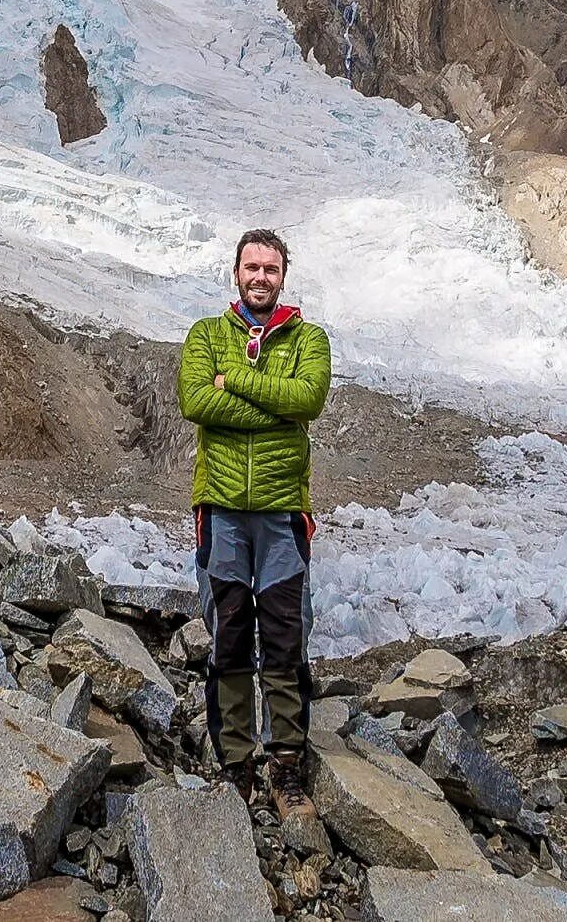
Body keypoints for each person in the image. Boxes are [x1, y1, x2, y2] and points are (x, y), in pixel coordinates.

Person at [177, 225, 332, 827]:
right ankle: (237, 763)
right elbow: (197, 403)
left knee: (287, 644)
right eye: (251, 268)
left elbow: (307, 400)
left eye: (270, 269)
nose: (260, 277)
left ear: (283, 276)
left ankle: (286, 764)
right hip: (220, 511)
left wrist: (234, 381)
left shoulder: (308, 339)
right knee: (230, 638)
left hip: (281, 514)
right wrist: (272, 402)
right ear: (235, 273)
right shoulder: (205, 335)